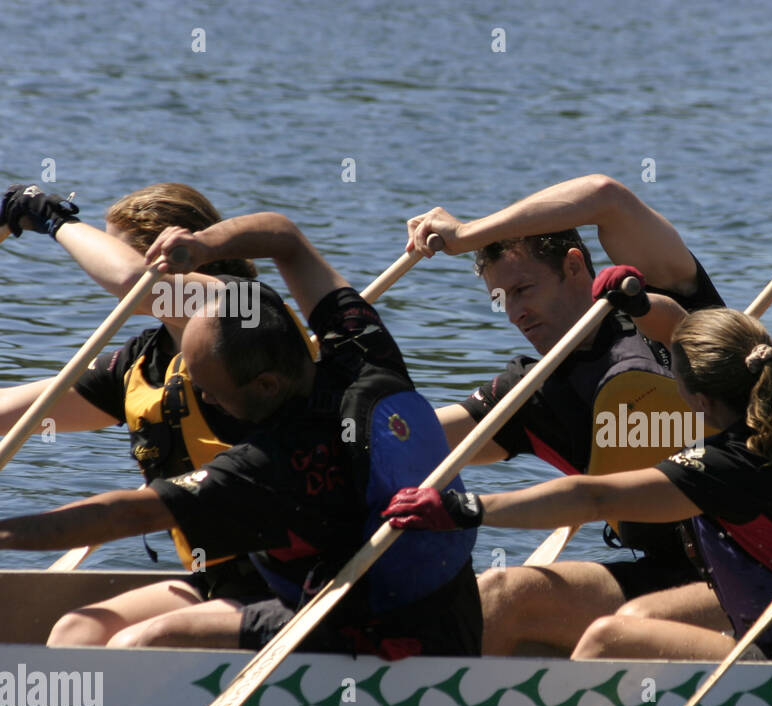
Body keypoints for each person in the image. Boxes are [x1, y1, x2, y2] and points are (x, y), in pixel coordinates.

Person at [0, 211, 480, 657]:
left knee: (143, 642)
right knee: (77, 632)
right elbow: (284, 238)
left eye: (208, 390)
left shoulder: (271, 464)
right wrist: (201, 245)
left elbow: (122, 516)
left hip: (372, 624)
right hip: (419, 596)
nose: (201, 400)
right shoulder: (362, 349)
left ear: (265, 385)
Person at [384, 306, 772, 663]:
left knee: (610, 639)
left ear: (693, 397)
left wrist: (466, 507)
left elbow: (594, 496)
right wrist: (635, 302)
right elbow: (692, 329)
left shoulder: (731, 467)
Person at [404, 175, 731, 655]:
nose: (514, 312)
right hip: (670, 579)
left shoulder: (662, 297)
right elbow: (408, 437)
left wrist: (467, 234)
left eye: (523, 288)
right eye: (502, 299)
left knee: (620, 631)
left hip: (767, 568)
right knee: (498, 596)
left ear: (574, 266)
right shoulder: (530, 392)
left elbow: (605, 196)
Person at [0, 183, 277, 645]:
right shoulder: (142, 361)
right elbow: (15, 412)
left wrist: (50, 220)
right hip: (219, 580)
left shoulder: (246, 310)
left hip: (295, 574)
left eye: (112, 249)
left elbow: (136, 284)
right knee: (77, 630)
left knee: (135, 644)